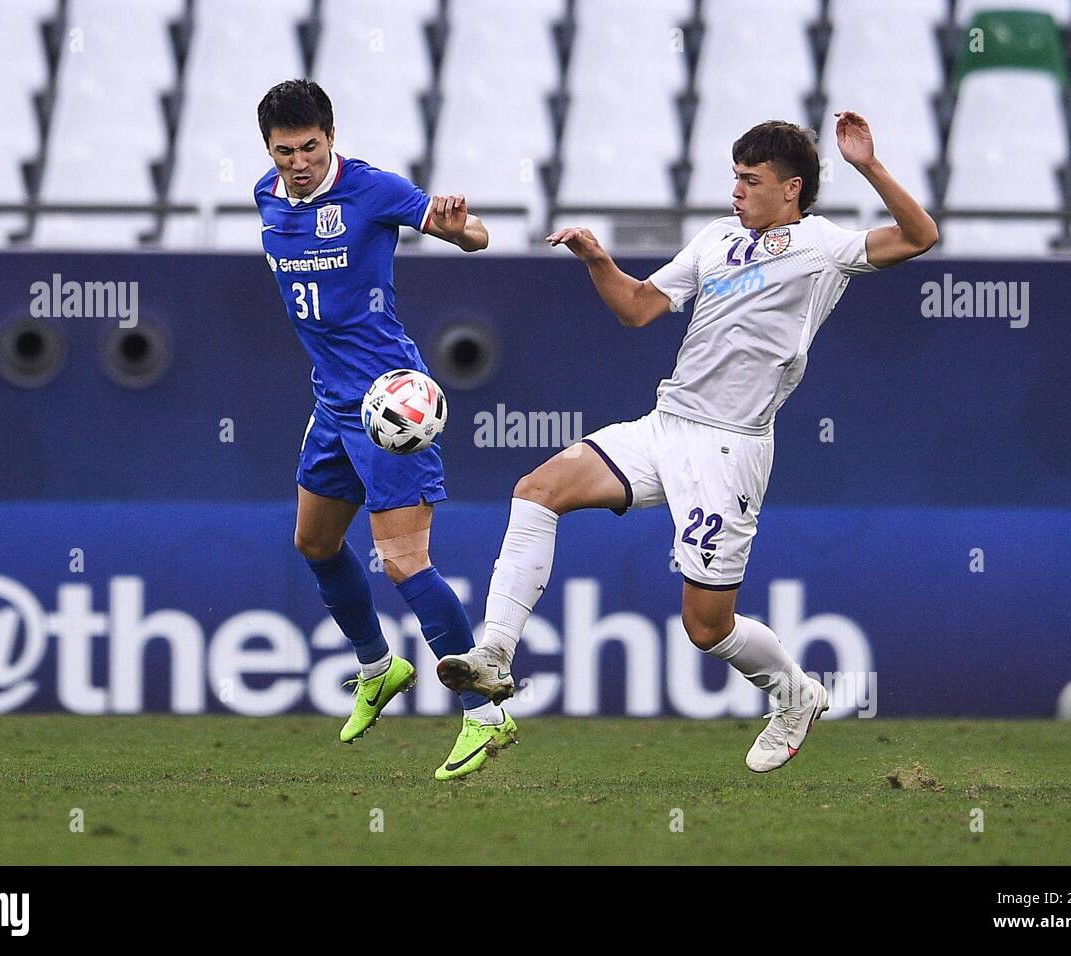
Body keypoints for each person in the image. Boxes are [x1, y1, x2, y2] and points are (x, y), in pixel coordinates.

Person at [438, 113, 938, 772]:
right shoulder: (716, 239)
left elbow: (920, 236)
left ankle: (794, 693)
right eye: (734, 176)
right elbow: (639, 307)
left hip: (730, 451)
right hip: (666, 425)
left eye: (750, 180)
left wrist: (867, 167)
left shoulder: (822, 245)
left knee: (706, 627)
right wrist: (599, 262)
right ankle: (495, 654)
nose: (736, 190)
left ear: (790, 189)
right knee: (537, 490)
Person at [255, 79, 515, 780]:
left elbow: (476, 236)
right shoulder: (266, 196)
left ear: (331, 137)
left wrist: (460, 227)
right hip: (332, 405)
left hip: (389, 404)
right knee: (314, 541)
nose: (299, 161)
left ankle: (485, 714)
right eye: (286, 151)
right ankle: (378, 667)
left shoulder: (372, 190)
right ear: (270, 151)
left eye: (311, 146)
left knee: (403, 562)